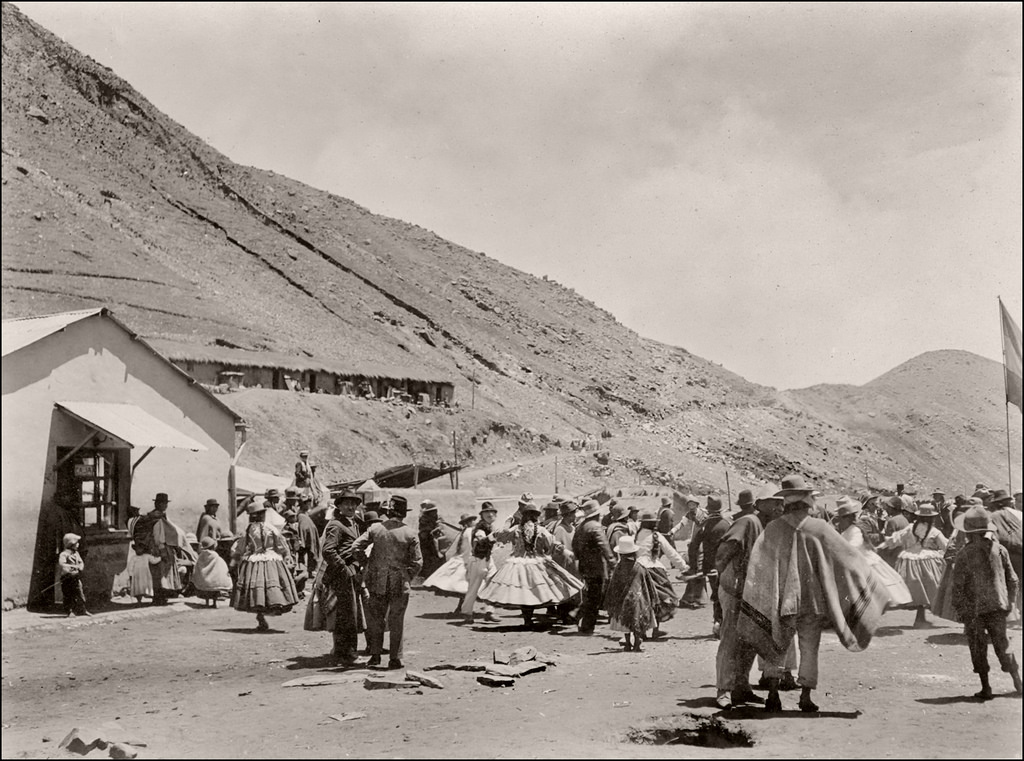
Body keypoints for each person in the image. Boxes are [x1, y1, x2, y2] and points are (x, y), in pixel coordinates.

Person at [737, 475, 889, 713]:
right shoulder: (820, 528)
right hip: (813, 602)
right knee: (809, 648)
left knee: (776, 644)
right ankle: (805, 697)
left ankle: (774, 695)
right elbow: (847, 557)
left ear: (785, 501)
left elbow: (760, 564)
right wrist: (870, 582)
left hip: (781, 601)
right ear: (807, 500)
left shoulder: (773, 528)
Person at [714, 485, 784, 708]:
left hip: (754, 591)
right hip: (736, 590)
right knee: (731, 639)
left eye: (779, 502)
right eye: (773, 502)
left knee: (750, 641)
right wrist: (728, 577)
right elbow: (724, 551)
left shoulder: (771, 526)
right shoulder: (749, 522)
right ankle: (724, 689)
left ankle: (741, 688)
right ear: (760, 504)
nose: (778, 506)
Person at [951, 506, 1022, 699]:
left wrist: (960, 608)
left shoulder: (964, 554)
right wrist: (1010, 603)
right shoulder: (1000, 550)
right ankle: (1018, 683)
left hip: (974, 610)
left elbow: (957, 586)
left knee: (977, 646)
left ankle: (986, 688)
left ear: (968, 532)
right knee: (1003, 644)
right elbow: (1013, 580)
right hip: (998, 606)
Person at [482, 500, 584, 629]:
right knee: (539, 589)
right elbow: (553, 544)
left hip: (517, 563)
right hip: (537, 562)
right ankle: (540, 615)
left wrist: (506, 524)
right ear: (535, 516)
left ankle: (527, 620)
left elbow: (501, 535)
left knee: (524, 592)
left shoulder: (516, 529)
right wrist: (567, 552)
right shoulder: (541, 530)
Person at [351, 495, 422, 669]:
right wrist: (407, 575)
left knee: (376, 620)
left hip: (376, 580)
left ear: (388, 512)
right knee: (397, 620)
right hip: (400, 582)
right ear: (404, 514)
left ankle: (375, 656)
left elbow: (355, 547)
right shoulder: (410, 533)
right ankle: (395, 658)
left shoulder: (376, 529)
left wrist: (366, 563)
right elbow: (418, 562)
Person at [305, 491, 366, 665]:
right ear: (338, 506)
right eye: (346, 504)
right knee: (345, 615)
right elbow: (328, 550)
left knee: (349, 614)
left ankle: (343, 652)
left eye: (354, 504)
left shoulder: (353, 523)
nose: (351, 507)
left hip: (352, 573)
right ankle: (346, 654)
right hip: (341, 576)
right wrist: (344, 568)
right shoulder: (336, 525)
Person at [231, 500, 299, 631]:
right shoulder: (271, 528)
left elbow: (242, 546)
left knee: (257, 588)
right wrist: (286, 555)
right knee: (271, 586)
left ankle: (260, 615)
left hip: (254, 560)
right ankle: (269, 610)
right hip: (271, 559)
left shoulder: (249, 529)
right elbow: (281, 544)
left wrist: (237, 557)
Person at [834, 496, 912, 610]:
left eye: (840, 519)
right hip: (855, 562)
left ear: (846, 519)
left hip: (863, 562)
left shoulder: (855, 530)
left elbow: (854, 546)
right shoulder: (847, 530)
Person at [878, 502, 948, 628]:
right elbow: (945, 545)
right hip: (928, 562)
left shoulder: (910, 528)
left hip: (909, 560)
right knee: (931, 587)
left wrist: (881, 546)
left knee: (918, 589)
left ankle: (920, 617)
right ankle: (921, 618)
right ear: (932, 517)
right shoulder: (934, 531)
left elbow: (895, 539)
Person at [133, 493, 194, 606]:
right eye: (163, 503)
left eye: (166, 503)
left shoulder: (155, 516)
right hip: (159, 548)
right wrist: (162, 548)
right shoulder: (158, 518)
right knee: (161, 574)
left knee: (160, 574)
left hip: (157, 548)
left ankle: (160, 596)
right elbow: (158, 535)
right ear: (157, 504)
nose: (165, 505)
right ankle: (159, 597)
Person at [603, 536, 660, 652]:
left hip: (623, 600)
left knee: (625, 624)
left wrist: (611, 600)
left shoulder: (619, 568)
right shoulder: (640, 568)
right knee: (637, 623)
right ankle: (637, 643)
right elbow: (648, 585)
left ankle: (628, 643)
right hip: (638, 601)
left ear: (621, 554)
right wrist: (653, 600)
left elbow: (614, 585)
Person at [634, 509, 685, 638]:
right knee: (661, 599)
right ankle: (656, 629)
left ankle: (642, 631)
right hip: (654, 570)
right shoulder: (657, 536)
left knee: (643, 601)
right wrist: (683, 567)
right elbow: (671, 553)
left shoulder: (636, 535)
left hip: (637, 570)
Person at [571, 500, 615, 634]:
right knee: (596, 597)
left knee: (590, 594)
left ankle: (577, 614)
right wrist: (613, 562)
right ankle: (587, 626)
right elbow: (604, 547)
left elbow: (575, 546)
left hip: (585, 566)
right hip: (597, 567)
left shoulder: (581, 526)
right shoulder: (596, 527)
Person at [689, 495, 731, 635]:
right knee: (727, 593)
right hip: (726, 565)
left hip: (711, 566)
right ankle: (725, 622)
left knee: (716, 594)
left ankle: (718, 622)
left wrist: (694, 567)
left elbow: (693, 545)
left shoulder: (704, 525)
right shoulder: (727, 524)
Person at [424, 512, 480, 609]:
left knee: (464, 587)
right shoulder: (471, 532)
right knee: (467, 586)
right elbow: (472, 547)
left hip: (461, 559)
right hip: (468, 560)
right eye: (473, 520)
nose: (475, 522)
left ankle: (460, 608)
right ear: (469, 522)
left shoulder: (463, 532)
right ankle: (463, 609)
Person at [459, 502, 500, 623]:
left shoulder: (489, 527)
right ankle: (467, 613)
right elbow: (481, 540)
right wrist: (494, 537)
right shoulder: (481, 528)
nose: (490, 514)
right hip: (478, 559)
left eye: (492, 512)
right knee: (474, 587)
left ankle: (490, 611)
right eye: (487, 512)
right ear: (482, 515)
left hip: (487, 558)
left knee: (493, 583)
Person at [678, 497, 709, 608]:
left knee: (697, 570)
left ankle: (695, 598)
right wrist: (672, 531)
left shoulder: (704, 514)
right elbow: (682, 523)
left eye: (692, 504)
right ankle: (698, 598)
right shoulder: (689, 514)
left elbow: (705, 526)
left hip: (701, 544)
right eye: (689, 505)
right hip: (694, 544)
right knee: (696, 569)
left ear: (696, 504)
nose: (691, 507)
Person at [192, 536, 232, 607]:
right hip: (214, 581)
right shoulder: (216, 557)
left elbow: (197, 567)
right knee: (214, 592)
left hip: (204, 580)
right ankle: (214, 603)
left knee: (206, 592)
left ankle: (207, 603)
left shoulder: (201, 556)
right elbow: (222, 567)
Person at [58, 533, 90, 617]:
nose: (78, 544)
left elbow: (81, 562)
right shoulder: (64, 554)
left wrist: (80, 567)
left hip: (76, 577)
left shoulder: (76, 554)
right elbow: (63, 565)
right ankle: (69, 611)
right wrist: (73, 567)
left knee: (80, 593)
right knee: (68, 594)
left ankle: (82, 609)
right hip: (67, 578)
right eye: (76, 543)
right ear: (70, 544)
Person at [418, 500, 446, 579]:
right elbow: (424, 531)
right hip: (426, 541)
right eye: (432, 511)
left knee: (437, 558)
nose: (434, 512)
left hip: (435, 540)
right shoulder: (424, 518)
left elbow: (443, 525)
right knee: (428, 559)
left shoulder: (438, 517)